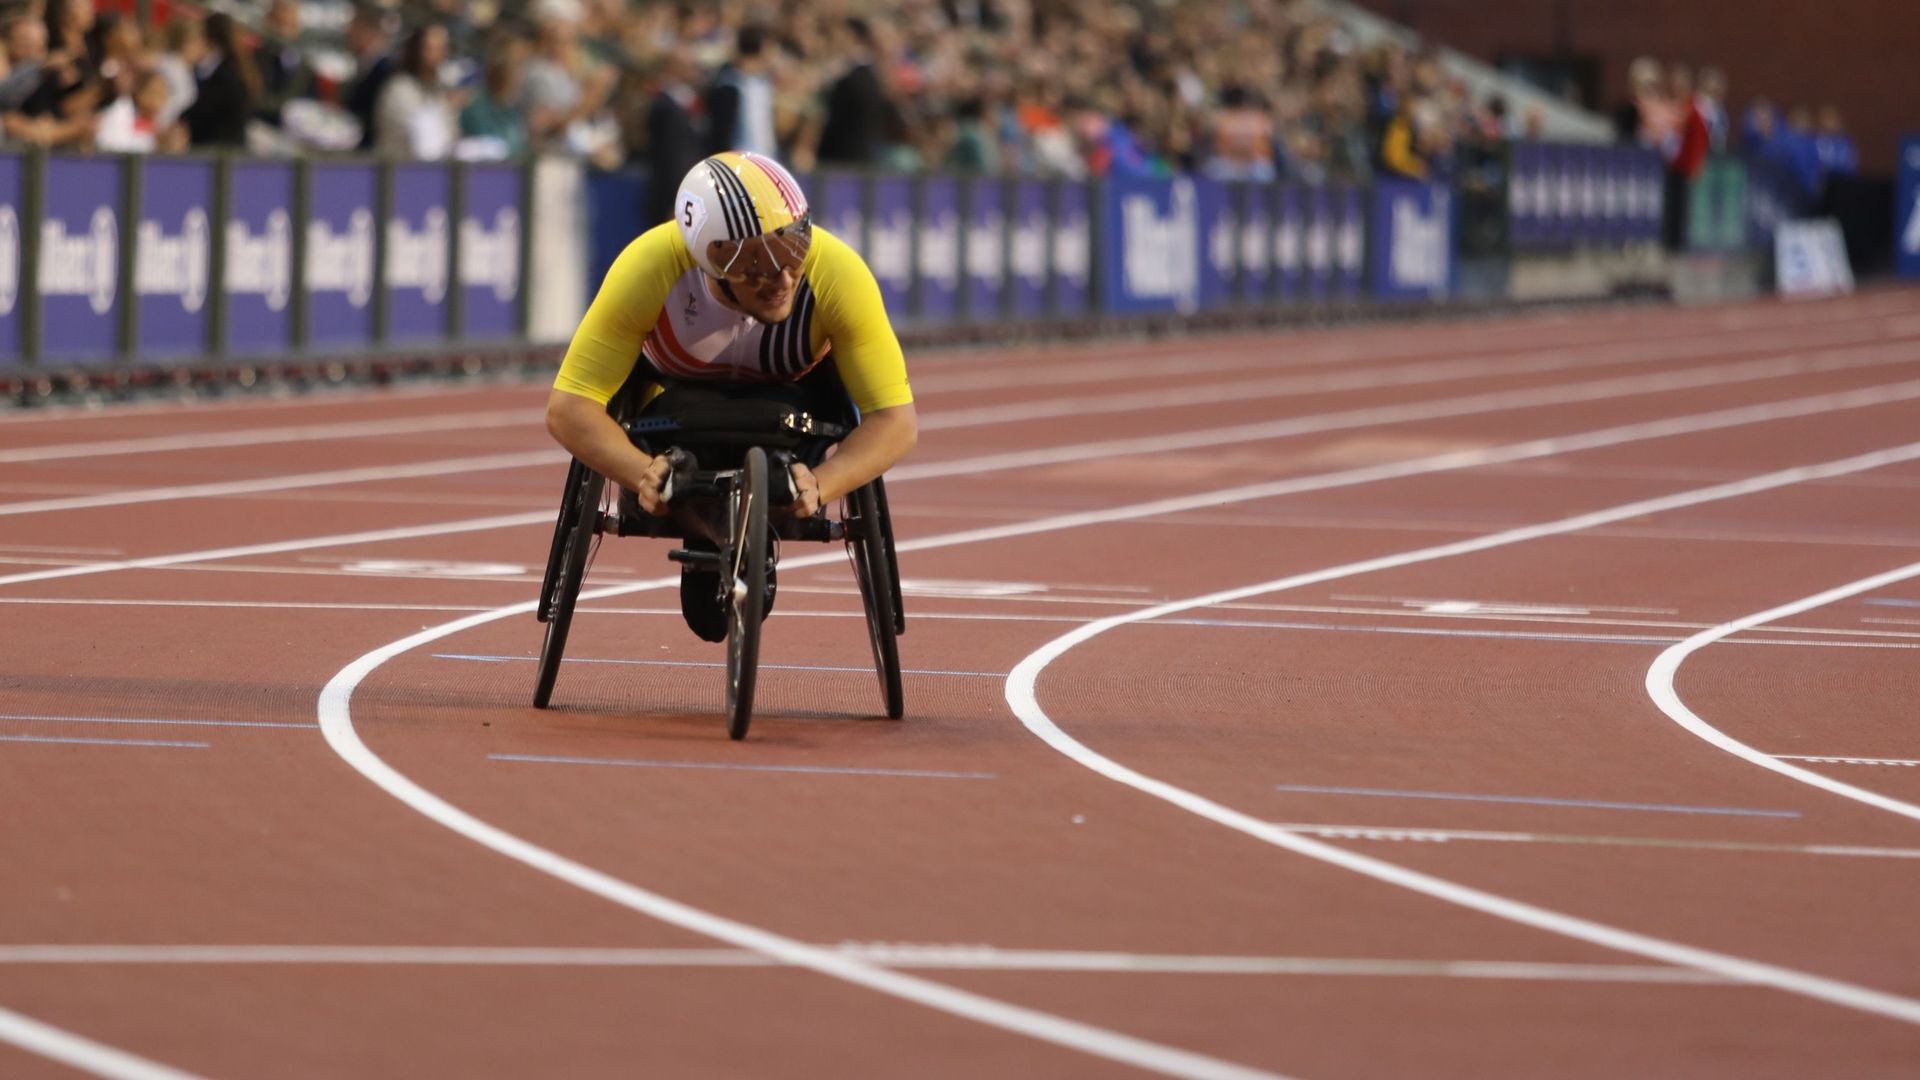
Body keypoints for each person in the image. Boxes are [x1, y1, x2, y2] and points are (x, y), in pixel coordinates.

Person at [545, 152, 917, 641]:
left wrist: (823, 483)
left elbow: (895, 420)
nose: (782, 280)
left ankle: (754, 525)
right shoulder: (651, 265)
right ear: (711, 264)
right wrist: (639, 472)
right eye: (757, 267)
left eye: (792, 250)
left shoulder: (837, 273)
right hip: (677, 410)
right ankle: (711, 528)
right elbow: (568, 407)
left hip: (792, 410)